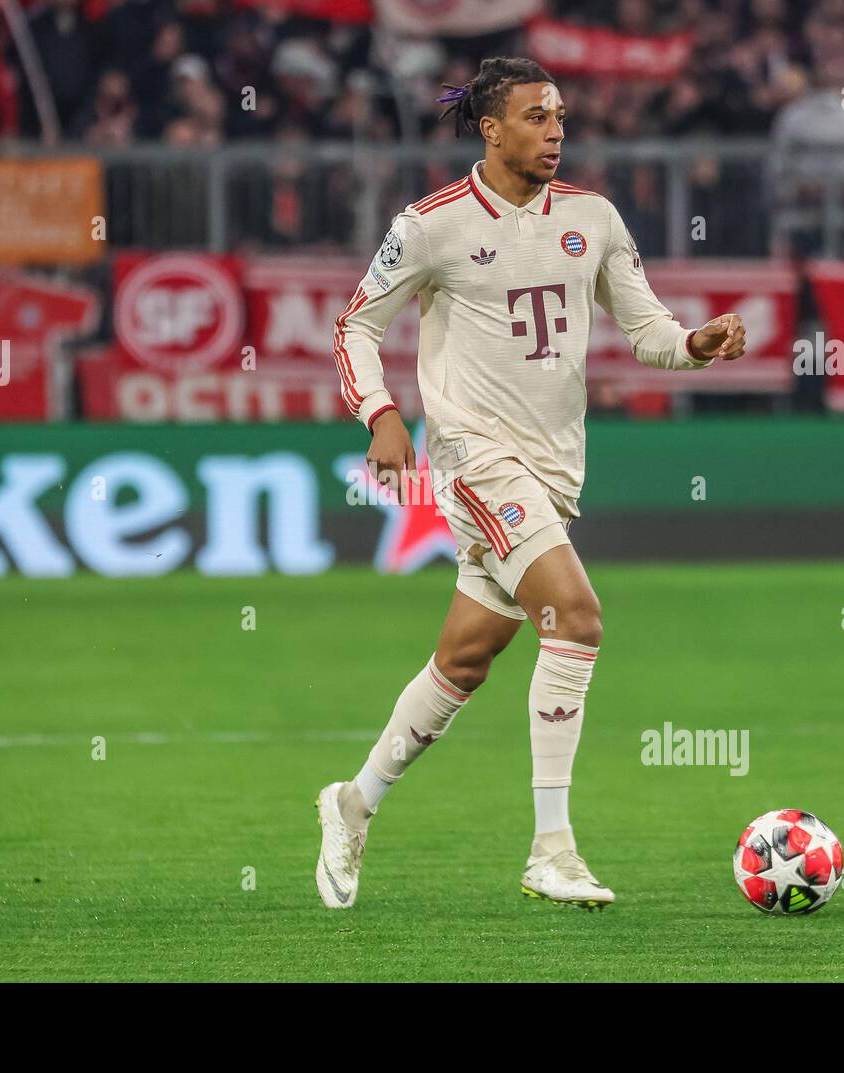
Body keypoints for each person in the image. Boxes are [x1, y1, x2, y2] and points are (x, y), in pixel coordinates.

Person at [317, 57, 747, 910]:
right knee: (578, 617)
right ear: (491, 129)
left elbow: (647, 328)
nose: (556, 130)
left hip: (555, 471)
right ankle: (552, 847)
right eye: (537, 117)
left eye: (560, 116)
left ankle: (353, 800)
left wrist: (694, 344)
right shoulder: (431, 225)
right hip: (477, 459)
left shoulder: (593, 218)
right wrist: (381, 414)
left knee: (463, 662)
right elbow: (355, 325)